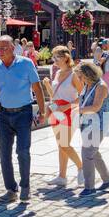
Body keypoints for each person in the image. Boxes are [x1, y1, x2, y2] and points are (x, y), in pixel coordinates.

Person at [0, 35, 45, 205]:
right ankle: (10, 190)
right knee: (4, 155)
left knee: (23, 151)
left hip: (23, 113)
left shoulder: (26, 64)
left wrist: (42, 112)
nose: (0, 52)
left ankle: (25, 187)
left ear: (12, 48)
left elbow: (37, 88)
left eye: (4, 48)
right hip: (3, 115)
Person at [74, 59, 109, 198]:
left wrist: (79, 110)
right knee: (94, 152)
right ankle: (108, 181)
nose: (79, 79)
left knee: (87, 153)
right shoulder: (88, 85)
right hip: (88, 122)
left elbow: (96, 107)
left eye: (81, 76)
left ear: (88, 74)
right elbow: (82, 100)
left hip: (99, 122)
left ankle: (89, 187)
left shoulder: (101, 86)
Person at [43, 45, 83, 186]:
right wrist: (48, 85)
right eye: (53, 57)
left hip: (69, 112)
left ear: (65, 58)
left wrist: (68, 105)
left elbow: (82, 96)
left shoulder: (73, 74)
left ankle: (81, 167)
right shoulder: (58, 73)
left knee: (64, 144)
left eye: (56, 57)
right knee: (61, 145)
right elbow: (55, 96)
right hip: (56, 111)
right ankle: (62, 176)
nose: (54, 60)